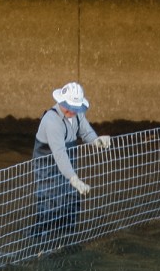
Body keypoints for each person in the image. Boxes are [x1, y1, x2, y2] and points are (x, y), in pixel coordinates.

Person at [32, 82, 110, 250]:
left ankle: (67, 240)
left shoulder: (77, 114)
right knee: (49, 201)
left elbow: (86, 132)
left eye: (75, 107)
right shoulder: (52, 121)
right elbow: (59, 154)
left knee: (71, 201)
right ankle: (37, 244)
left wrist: (97, 140)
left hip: (68, 163)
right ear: (61, 102)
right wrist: (73, 178)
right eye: (68, 106)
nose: (71, 111)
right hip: (48, 165)